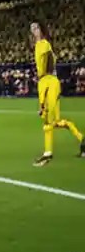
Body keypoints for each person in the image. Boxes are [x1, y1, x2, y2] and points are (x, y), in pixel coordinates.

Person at [30, 21, 83, 166]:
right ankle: (82, 139)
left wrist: (47, 74)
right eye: (32, 29)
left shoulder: (44, 43)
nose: (34, 31)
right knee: (55, 122)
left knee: (48, 122)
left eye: (36, 28)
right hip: (45, 81)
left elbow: (49, 60)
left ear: (41, 30)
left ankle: (48, 154)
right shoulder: (37, 46)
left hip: (49, 82)